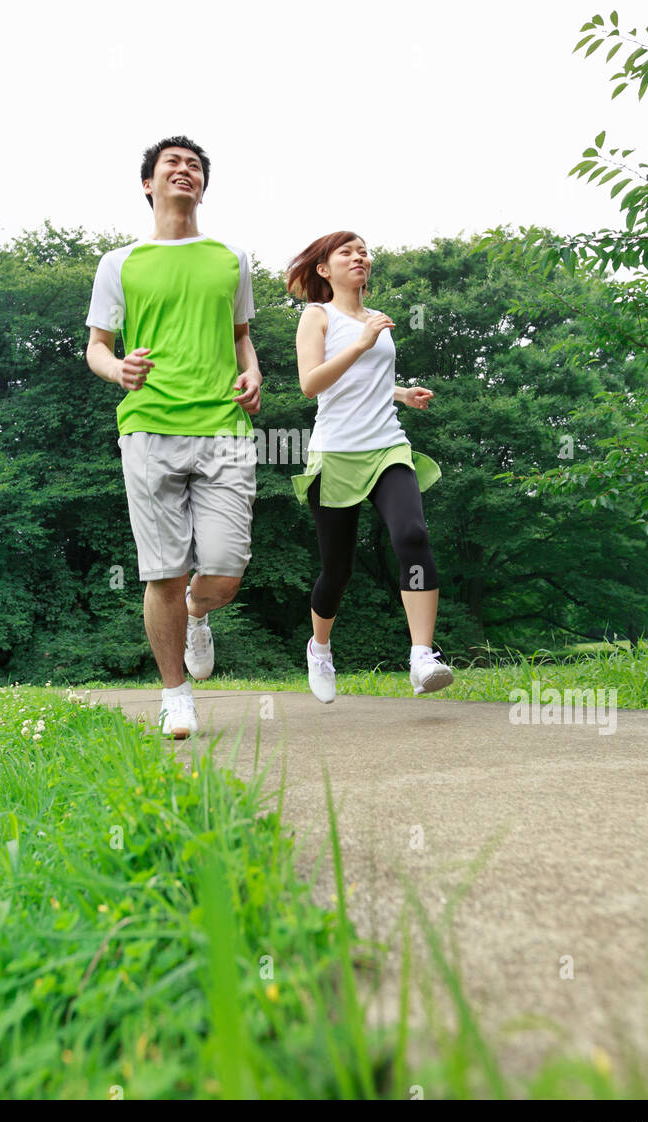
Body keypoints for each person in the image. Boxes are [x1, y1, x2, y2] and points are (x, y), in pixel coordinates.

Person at [85, 136, 262, 739]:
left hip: (223, 426)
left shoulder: (232, 258)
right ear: (148, 184)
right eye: (172, 165)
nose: (184, 171)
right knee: (161, 570)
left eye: (194, 166)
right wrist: (118, 371)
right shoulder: (120, 263)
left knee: (225, 571)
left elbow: (241, 334)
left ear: (203, 186)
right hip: (148, 425)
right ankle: (174, 695)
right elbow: (97, 348)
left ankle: (197, 614)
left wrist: (254, 369)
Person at [287, 231, 453, 703]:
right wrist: (361, 343)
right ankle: (320, 648)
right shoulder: (316, 316)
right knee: (336, 571)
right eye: (347, 252)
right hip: (336, 453)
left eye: (363, 251)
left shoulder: (375, 320)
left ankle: (422, 656)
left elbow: (369, 381)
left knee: (412, 536)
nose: (359, 257)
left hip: (387, 447)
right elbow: (311, 384)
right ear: (324, 269)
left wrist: (402, 394)